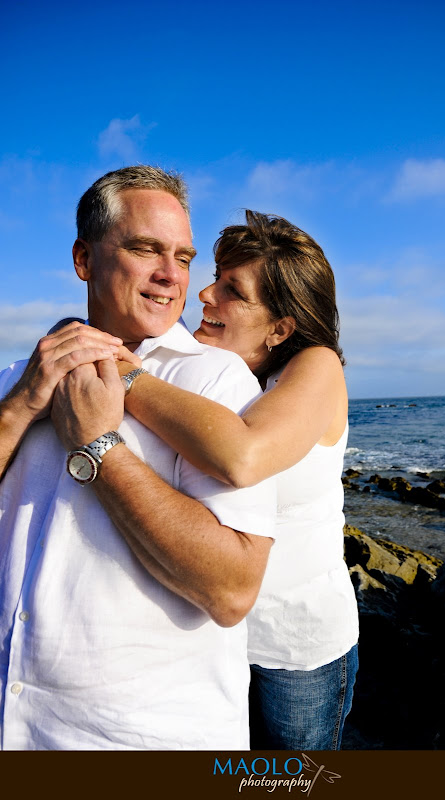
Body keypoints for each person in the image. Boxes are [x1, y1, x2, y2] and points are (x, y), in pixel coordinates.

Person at [0, 166, 276, 751]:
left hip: (142, 740)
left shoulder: (215, 382)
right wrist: (19, 408)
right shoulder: (15, 381)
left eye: (183, 255)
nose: (170, 276)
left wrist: (100, 447)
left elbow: (231, 590)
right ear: (84, 259)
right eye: (144, 249)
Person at [112, 210, 359, 750]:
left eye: (232, 289)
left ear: (280, 328)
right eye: (215, 276)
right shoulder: (217, 373)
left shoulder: (316, 367)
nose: (203, 293)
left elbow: (243, 456)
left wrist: (119, 374)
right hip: (206, 643)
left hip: (294, 654)